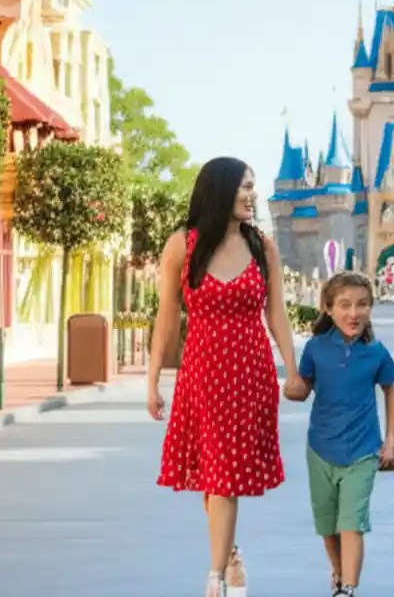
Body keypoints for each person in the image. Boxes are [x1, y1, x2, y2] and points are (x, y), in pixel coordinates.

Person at [147, 157, 305, 597]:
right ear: (218, 191)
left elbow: (277, 313)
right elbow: (166, 317)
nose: (250, 195)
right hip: (201, 374)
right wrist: (153, 378)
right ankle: (227, 559)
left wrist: (291, 369)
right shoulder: (183, 244)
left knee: (224, 474)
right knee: (214, 471)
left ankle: (215, 574)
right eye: (242, 187)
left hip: (250, 375)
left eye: (253, 187)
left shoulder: (262, 247)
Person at [285, 271, 394, 597]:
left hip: (363, 450)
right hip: (321, 447)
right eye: (345, 305)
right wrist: (291, 387)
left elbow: (392, 392)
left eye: (363, 305)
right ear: (328, 308)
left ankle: (348, 588)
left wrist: (392, 440)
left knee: (351, 522)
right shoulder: (316, 348)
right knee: (327, 526)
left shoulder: (376, 351)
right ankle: (337, 572)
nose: (354, 313)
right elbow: (301, 389)